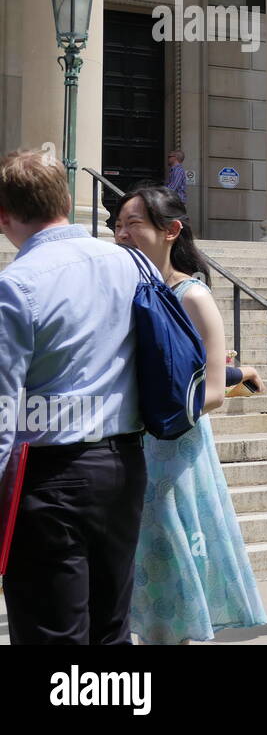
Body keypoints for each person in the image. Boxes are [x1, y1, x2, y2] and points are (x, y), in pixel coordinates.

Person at [0, 150, 149, 644]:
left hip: (49, 477)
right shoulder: (131, 264)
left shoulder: (17, 285)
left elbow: (2, 408)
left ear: (5, 217)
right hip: (123, 465)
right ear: (65, 200)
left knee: (52, 635)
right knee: (111, 628)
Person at [113, 185, 267, 644]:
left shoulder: (193, 296)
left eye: (132, 224)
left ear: (171, 230)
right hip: (130, 446)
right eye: (116, 225)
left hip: (174, 449)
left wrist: (153, 414)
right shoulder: (126, 288)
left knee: (173, 558)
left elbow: (216, 391)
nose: (120, 234)